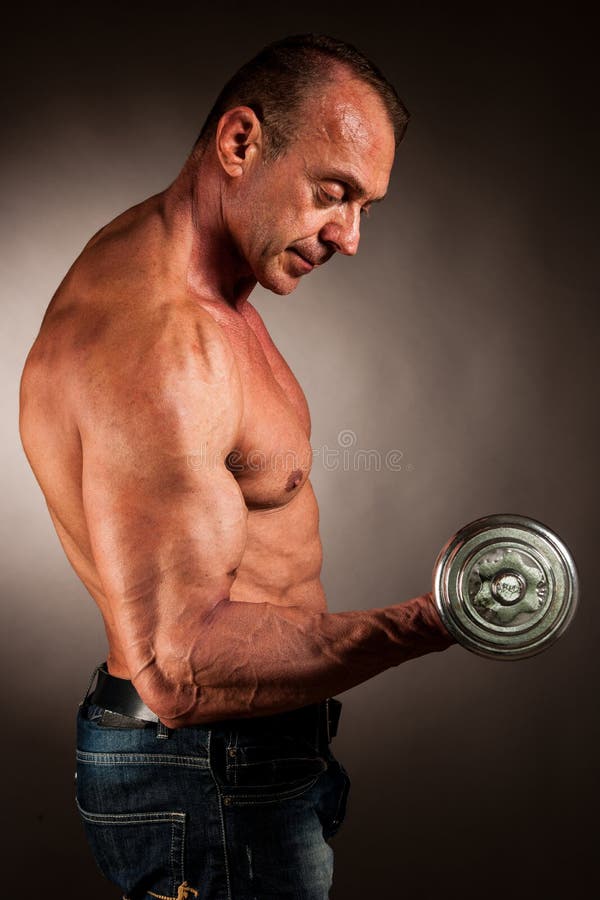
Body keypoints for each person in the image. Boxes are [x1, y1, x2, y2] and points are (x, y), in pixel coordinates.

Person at [19, 34, 454, 900]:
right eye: (333, 193)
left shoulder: (198, 277)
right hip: (205, 772)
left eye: (366, 206)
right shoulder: (161, 348)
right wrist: (434, 621)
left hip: (238, 764)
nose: (350, 237)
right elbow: (177, 667)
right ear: (241, 142)